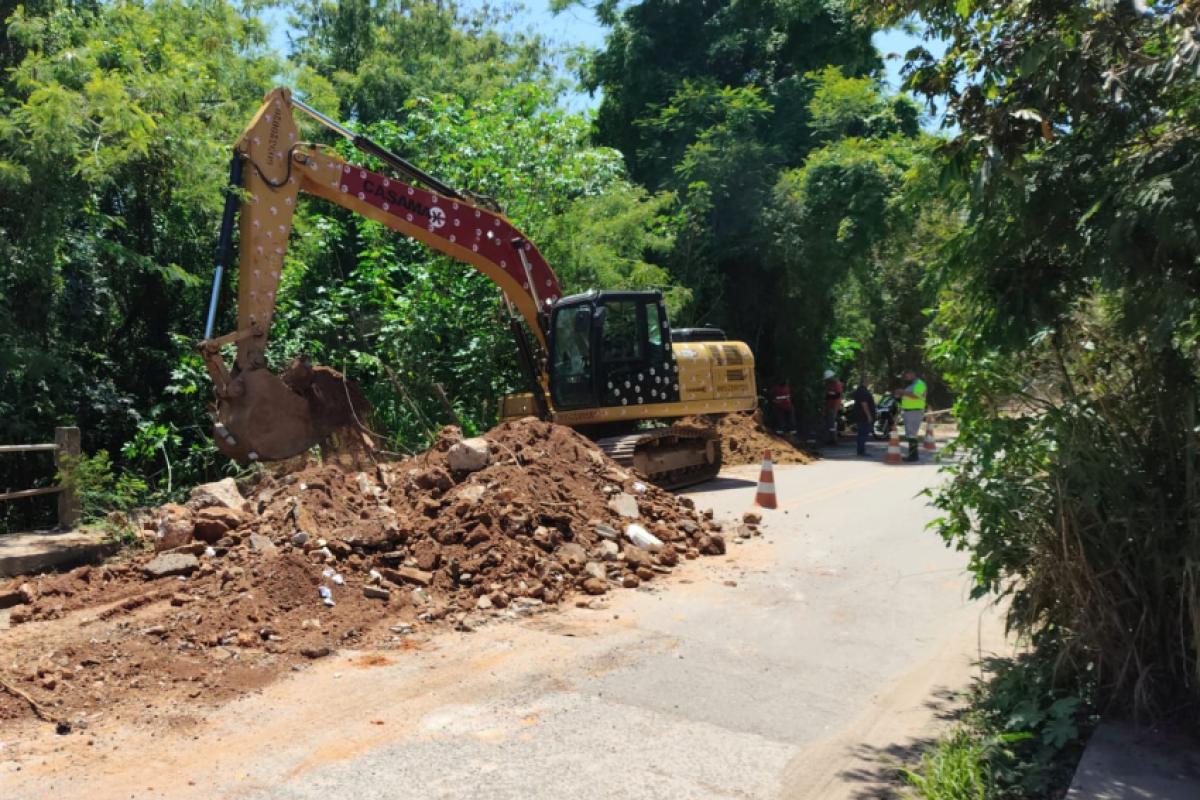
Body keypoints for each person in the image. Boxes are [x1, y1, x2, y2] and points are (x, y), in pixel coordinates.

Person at [894, 369, 927, 462]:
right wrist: (899, 395)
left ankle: (913, 456)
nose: (905, 377)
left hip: (914, 411)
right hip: (909, 412)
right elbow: (908, 397)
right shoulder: (911, 385)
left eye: (906, 375)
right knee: (910, 434)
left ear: (913, 374)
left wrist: (902, 392)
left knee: (912, 434)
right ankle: (912, 455)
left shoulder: (920, 384)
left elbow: (916, 396)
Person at [851, 377, 876, 456]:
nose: (869, 383)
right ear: (864, 382)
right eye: (868, 381)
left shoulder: (860, 390)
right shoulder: (863, 391)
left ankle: (861, 450)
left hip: (860, 415)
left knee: (862, 433)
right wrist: (868, 415)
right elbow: (864, 404)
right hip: (863, 416)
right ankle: (861, 451)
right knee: (863, 433)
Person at [823, 369, 843, 445]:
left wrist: (829, 394)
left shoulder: (837, 384)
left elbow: (838, 395)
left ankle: (832, 440)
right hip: (830, 405)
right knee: (829, 423)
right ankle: (830, 438)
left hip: (833, 406)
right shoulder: (831, 384)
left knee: (831, 423)